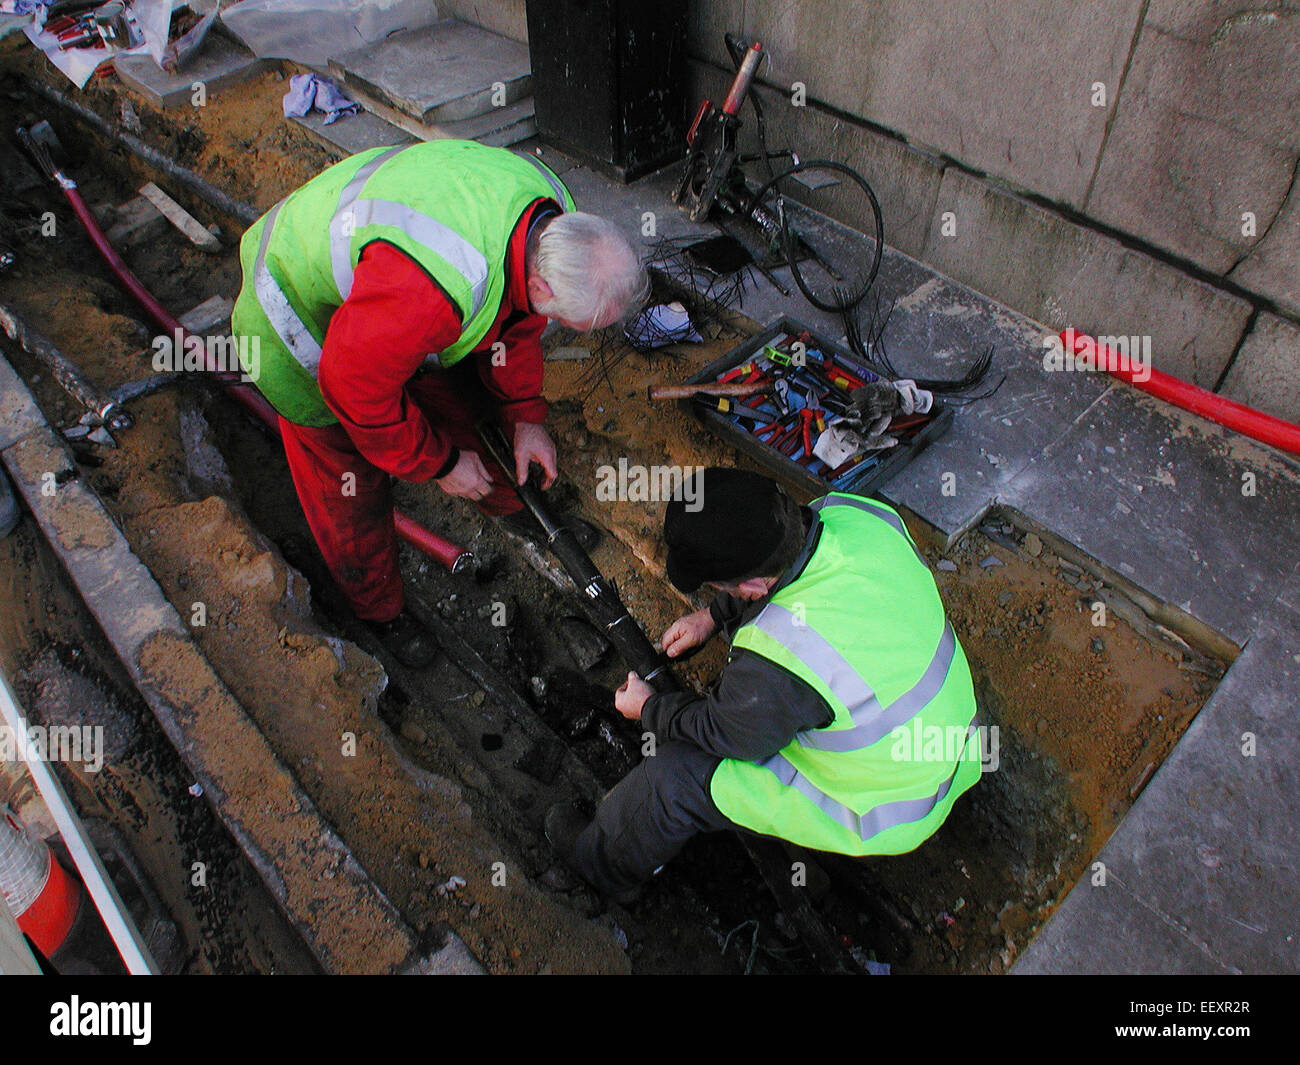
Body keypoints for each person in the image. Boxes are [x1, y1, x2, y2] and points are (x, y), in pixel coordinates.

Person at [231, 139, 647, 666]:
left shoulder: (553, 213)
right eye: (567, 321)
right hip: (297, 327)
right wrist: (440, 464)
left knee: (473, 412)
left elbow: (516, 325)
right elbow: (353, 385)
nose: (559, 328)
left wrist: (525, 415)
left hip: (386, 308)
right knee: (350, 488)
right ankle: (380, 611)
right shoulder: (434, 287)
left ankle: (520, 512)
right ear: (541, 282)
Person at [545, 468, 982, 900]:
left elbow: (729, 735)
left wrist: (649, 710)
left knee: (676, 777)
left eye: (720, 588)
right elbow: (787, 569)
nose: (721, 592)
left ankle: (599, 867)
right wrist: (712, 617)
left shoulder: (785, 655)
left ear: (751, 586)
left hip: (886, 805)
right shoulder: (856, 514)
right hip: (956, 742)